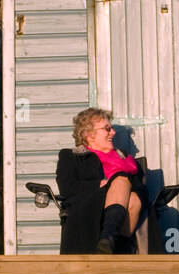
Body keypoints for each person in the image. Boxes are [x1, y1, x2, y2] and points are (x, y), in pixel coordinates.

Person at [56, 108, 147, 254]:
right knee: (121, 180)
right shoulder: (71, 157)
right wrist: (100, 185)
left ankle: (110, 243)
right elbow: (67, 187)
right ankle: (109, 239)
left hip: (124, 208)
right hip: (87, 211)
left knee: (134, 198)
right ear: (89, 134)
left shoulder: (124, 158)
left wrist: (117, 185)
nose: (113, 133)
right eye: (107, 129)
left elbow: (141, 188)